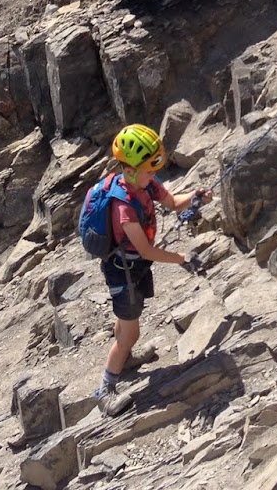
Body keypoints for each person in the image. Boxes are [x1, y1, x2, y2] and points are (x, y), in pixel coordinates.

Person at [95, 124, 210, 406]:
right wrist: (181, 258)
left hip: (133, 267)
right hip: (124, 272)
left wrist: (194, 198)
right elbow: (146, 251)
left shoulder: (144, 184)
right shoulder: (123, 209)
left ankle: (126, 354)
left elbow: (171, 202)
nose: (153, 175)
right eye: (149, 170)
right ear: (131, 169)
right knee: (130, 331)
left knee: (126, 321)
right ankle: (105, 390)